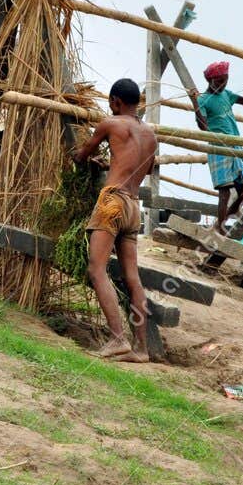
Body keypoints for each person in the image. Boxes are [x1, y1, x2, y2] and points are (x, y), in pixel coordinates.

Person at [73, 78, 159, 363]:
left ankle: (117, 339)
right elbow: (135, 168)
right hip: (134, 206)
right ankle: (142, 349)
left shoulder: (111, 123)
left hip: (112, 202)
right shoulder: (151, 136)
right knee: (132, 278)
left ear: (114, 101)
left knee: (97, 268)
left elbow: (82, 155)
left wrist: (85, 157)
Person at [192, 60, 243, 235]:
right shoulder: (204, 99)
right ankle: (221, 227)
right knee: (224, 191)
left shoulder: (226, 94)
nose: (222, 84)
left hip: (235, 147)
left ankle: (220, 222)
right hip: (219, 148)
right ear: (210, 80)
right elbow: (202, 126)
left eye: (225, 80)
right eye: (219, 82)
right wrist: (194, 102)